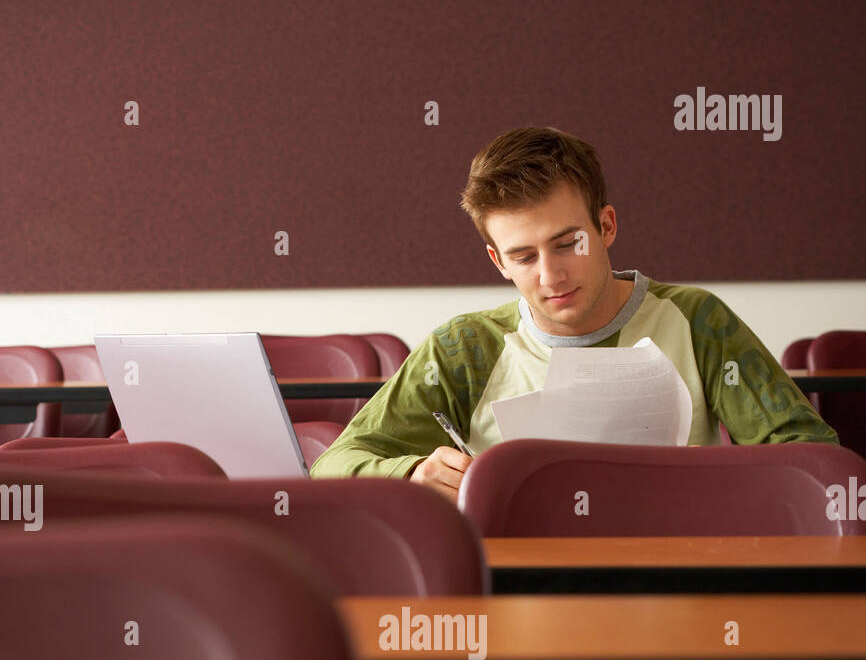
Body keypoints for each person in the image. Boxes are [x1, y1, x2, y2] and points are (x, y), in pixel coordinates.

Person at [310, 126, 838, 502]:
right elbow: (329, 467)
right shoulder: (463, 347)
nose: (551, 275)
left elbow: (815, 456)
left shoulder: (697, 319)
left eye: (568, 243)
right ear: (497, 261)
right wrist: (411, 475)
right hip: (519, 589)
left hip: (677, 574)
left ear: (606, 227)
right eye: (523, 257)